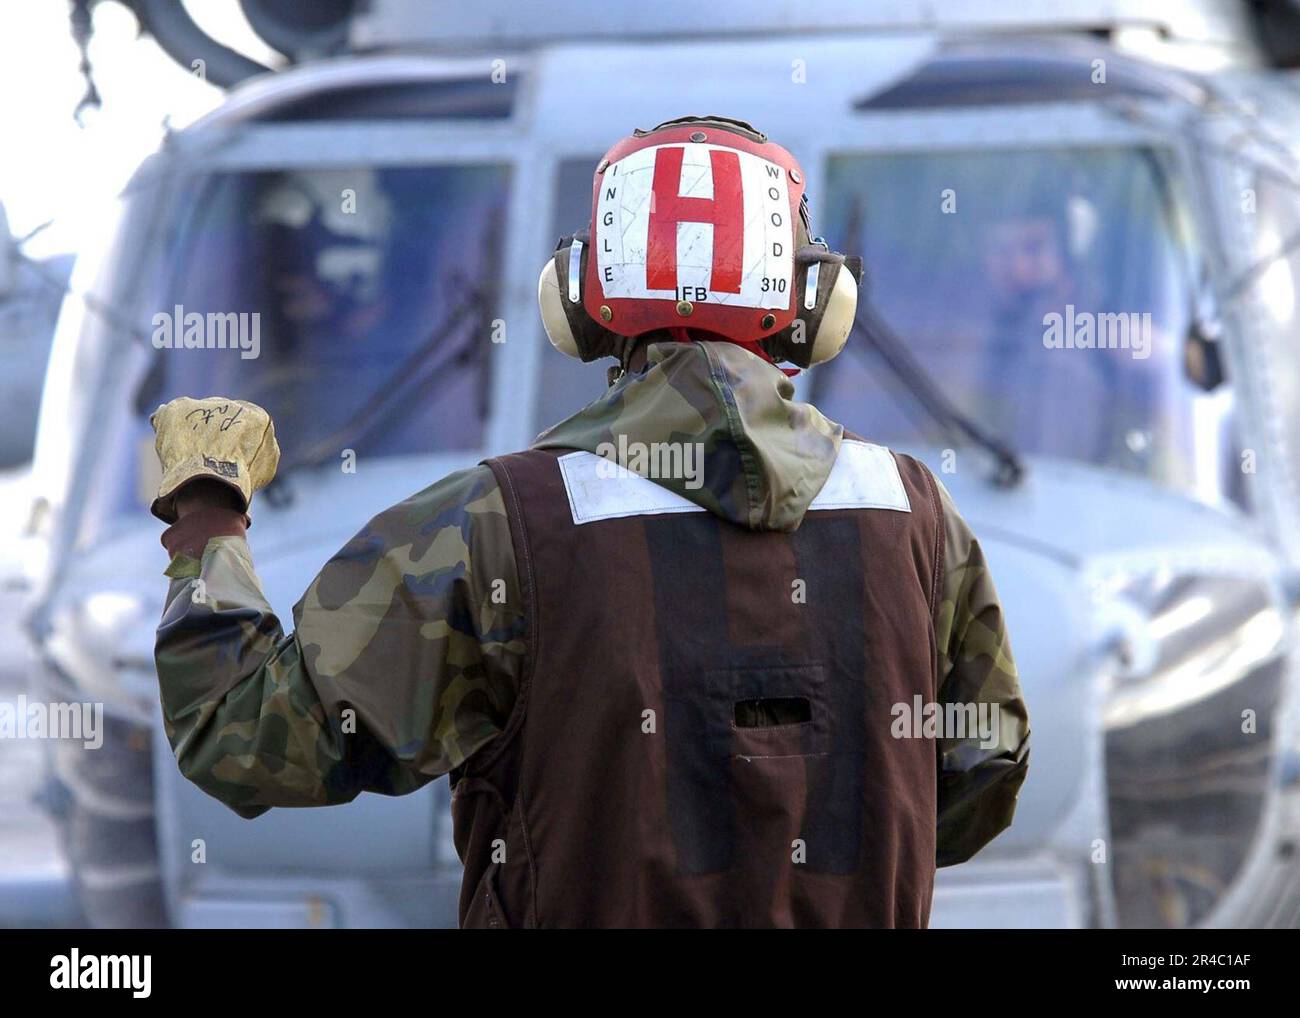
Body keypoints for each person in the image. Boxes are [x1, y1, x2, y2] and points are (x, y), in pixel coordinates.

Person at [151, 115, 1029, 928]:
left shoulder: (495, 524)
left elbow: (244, 739)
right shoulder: (914, 514)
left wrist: (207, 516)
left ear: (578, 299)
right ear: (813, 299)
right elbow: (980, 775)